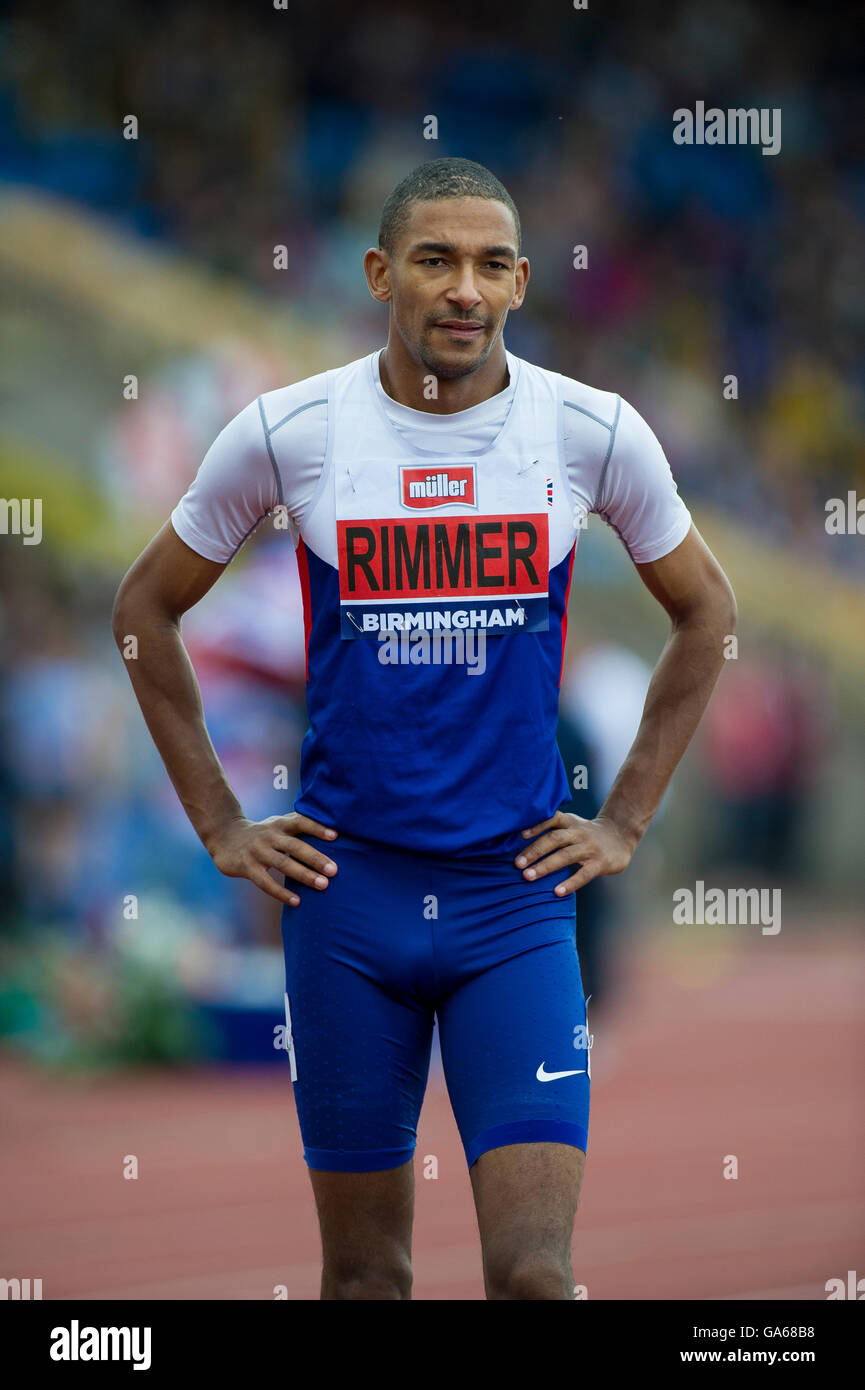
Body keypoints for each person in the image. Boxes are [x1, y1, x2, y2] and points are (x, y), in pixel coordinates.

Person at [112, 157, 736, 1300]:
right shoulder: (291, 432)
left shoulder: (587, 431)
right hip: (345, 905)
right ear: (378, 272)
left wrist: (625, 820)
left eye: (491, 264)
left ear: (521, 284)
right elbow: (145, 611)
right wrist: (220, 823)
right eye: (436, 260)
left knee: (537, 1277)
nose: (464, 289)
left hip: (513, 904)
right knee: (363, 1280)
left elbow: (707, 617)